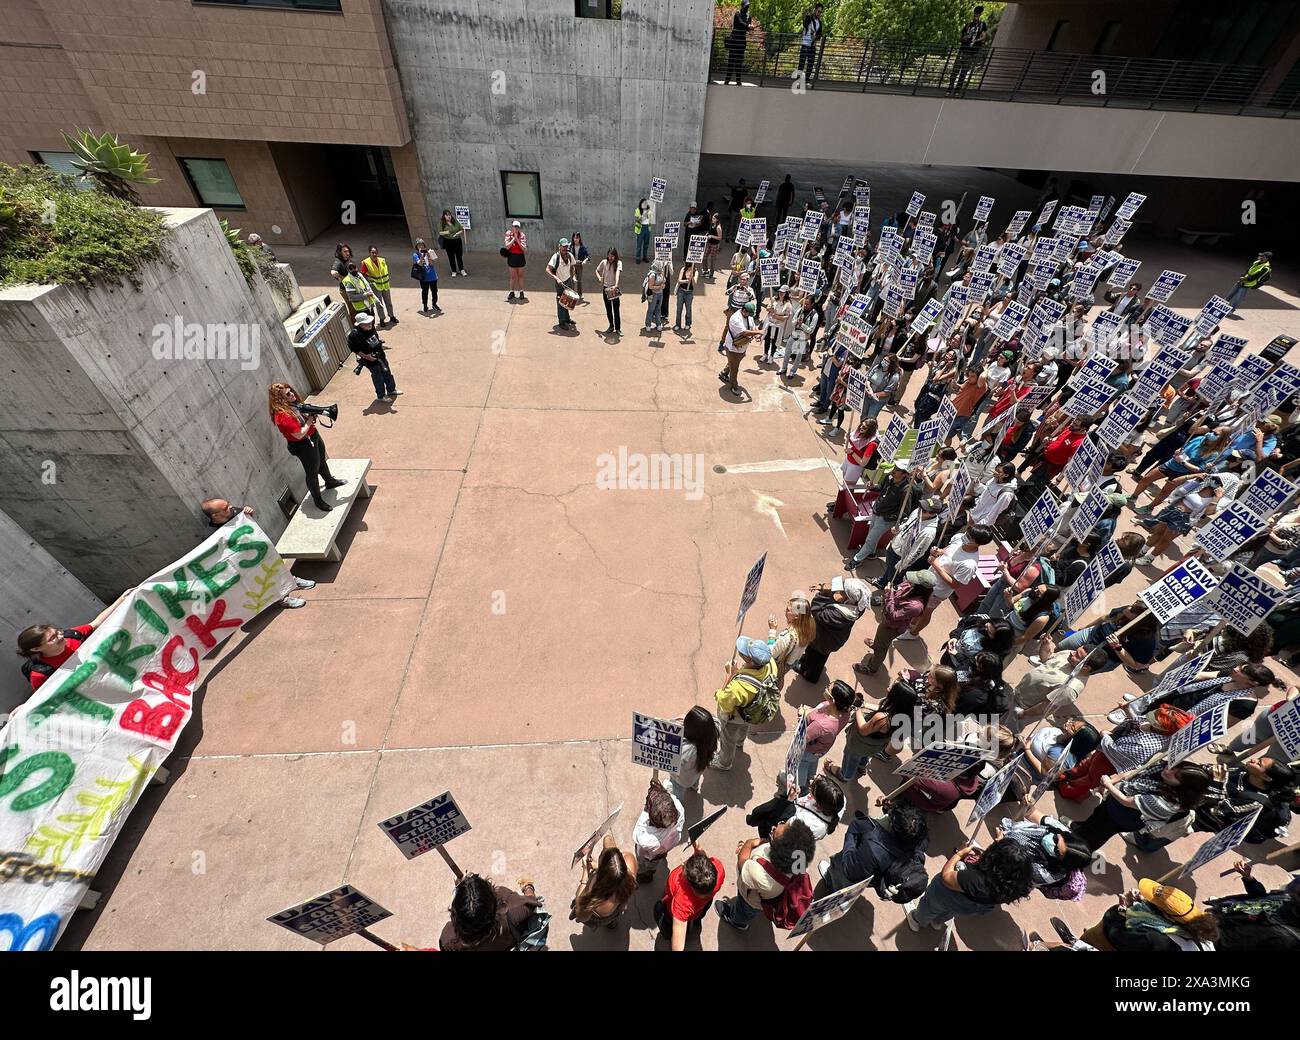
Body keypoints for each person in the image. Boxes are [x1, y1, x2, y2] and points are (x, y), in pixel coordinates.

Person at [1066, 762, 1213, 854]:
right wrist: (1114, 781)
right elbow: (1136, 771)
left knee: (1101, 832)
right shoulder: (1162, 767)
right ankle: (1078, 828)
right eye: (1175, 767)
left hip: (1122, 817)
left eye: (1176, 776)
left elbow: (1126, 801)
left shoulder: (1169, 803)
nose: (1169, 771)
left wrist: (1108, 784)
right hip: (1112, 803)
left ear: (1185, 787)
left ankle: (1078, 851)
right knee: (1097, 816)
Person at [199, 499, 315, 608]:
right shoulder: (210, 536)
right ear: (215, 515)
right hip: (242, 563)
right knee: (262, 580)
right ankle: (283, 598)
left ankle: (292, 581)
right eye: (225, 508)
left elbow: (248, 522)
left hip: (257, 551)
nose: (231, 507)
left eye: (228, 503)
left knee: (275, 566)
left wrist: (249, 512)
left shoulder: (237, 513)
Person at [906, 837, 1034, 931]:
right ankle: (937, 922)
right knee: (949, 912)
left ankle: (918, 920)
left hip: (943, 896)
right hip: (966, 907)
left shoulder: (974, 879)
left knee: (928, 907)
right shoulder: (1011, 887)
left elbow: (946, 877)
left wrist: (959, 853)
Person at [16, 592, 137, 692]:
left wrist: (121, 599)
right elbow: (45, 699)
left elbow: (97, 622)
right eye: (52, 638)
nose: (60, 636)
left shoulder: (72, 635)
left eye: (57, 631)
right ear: (36, 649)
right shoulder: (40, 674)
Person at [715, 817, 816, 932]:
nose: (774, 827)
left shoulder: (759, 872)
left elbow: (742, 863)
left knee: (744, 911)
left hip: (750, 900)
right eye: (782, 823)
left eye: (773, 835)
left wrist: (748, 844)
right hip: (774, 894)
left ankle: (737, 921)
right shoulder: (799, 858)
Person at [818, 802, 930, 903]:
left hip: (855, 870)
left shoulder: (873, 847)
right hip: (877, 875)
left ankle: (832, 883)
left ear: (892, 825)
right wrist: (888, 809)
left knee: (841, 874)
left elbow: (849, 869)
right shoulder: (918, 836)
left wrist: (854, 831)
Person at [1068, 880, 1219, 951]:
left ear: (1168, 917)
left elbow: (1117, 935)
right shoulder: (1202, 935)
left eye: (1151, 902)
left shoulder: (1154, 938)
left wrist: (1122, 909)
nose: (1147, 901)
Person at [902, 524, 995, 638]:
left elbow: (955, 584)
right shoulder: (959, 539)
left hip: (937, 590)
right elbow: (947, 550)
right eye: (967, 533)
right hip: (927, 579)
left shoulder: (969, 564)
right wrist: (938, 552)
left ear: (978, 543)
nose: (965, 536)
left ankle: (913, 633)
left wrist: (935, 565)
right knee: (918, 604)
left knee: (926, 612)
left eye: (970, 537)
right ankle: (911, 623)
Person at [268, 382, 345, 512]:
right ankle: (318, 501)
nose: (292, 393)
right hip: (302, 445)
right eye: (288, 394)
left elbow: (304, 423)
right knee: (312, 472)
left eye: (291, 390)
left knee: (321, 461)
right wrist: (309, 421)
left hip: (313, 436)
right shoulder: (283, 416)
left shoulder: (294, 405)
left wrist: (310, 416)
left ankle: (329, 481)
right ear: (280, 399)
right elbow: (299, 434)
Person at [713, 637, 778, 771]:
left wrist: (729, 674)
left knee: (727, 740)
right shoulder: (771, 663)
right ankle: (740, 741)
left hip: (734, 718)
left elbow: (723, 702)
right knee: (743, 728)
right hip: (752, 713)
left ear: (750, 661)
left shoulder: (739, 687)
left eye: (745, 653)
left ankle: (724, 763)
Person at [1205, 862, 1300, 951]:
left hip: (1209, 934)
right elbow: (1261, 896)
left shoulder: (1281, 936)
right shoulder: (1288, 898)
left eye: (1296, 893)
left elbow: (1225, 941)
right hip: (1220, 914)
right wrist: (1249, 879)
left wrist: (1204, 924)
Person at [438, 873, 544, 952]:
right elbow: (532, 901)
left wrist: (460, 892)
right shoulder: (516, 908)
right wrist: (528, 887)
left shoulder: (448, 940)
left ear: (455, 913)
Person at [788, 681, 860, 795]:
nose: (826, 688)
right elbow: (818, 710)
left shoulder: (821, 725)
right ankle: (811, 776)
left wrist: (802, 716)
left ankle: (800, 788)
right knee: (812, 762)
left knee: (802, 765)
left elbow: (803, 737)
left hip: (808, 750)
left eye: (828, 688)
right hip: (820, 750)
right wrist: (809, 711)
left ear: (833, 700)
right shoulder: (844, 713)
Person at [795, 577, 870, 683]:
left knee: (816, 657)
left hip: (823, 641)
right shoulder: (857, 606)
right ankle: (806, 662)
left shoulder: (836, 615)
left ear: (847, 599)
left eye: (841, 591)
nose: (837, 591)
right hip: (828, 639)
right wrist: (824, 588)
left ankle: (809, 675)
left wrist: (825, 594)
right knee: (814, 654)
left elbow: (816, 611)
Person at [854, 578, 931, 678]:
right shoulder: (910, 587)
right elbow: (898, 592)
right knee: (880, 637)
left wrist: (888, 594)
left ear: (920, 587)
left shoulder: (916, 606)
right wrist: (893, 590)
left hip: (892, 627)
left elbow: (893, 615)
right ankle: (877, 643)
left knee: (882, 648)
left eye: (914, 580)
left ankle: (872, 668)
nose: (909, 581)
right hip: (886, 620)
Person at [654, 847, 724, 951]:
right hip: (702, 906)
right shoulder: (718, 868)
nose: (683, 864)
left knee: (659, 910)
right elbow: (705, 864)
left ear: (691, 885)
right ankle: (695, 921)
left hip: (671, 911)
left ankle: (667, 933)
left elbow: (678, 945)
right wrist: (698, 849)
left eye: (685, 869)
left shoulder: (682, 902)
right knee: (699, 914)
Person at [571, 836, 637, 929]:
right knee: (612, 917)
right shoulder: (629, 861)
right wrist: (599, 865)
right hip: (617, 907)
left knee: (604, 920)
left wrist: (585, 871)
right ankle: (611, 923)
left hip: (600, 916)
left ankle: (610, 923)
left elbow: (581, 915)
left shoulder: (593, 902)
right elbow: (608, 839)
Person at [632, 778, 684, 883]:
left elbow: (637, 832)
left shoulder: (646, 839)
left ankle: (645, 876)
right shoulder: (679, 809)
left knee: (645, 866)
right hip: (667, 846)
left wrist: (647, 808)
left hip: (649, 856)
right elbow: (670, 796)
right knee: (660, 857)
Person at [347, 312, 402, 403]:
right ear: (360, 324)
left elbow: (375, 338)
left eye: (370, 322)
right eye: (366, 324)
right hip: (370, 360)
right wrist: (366, 356)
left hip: (380, 355)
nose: (369, 324)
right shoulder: (355, 334)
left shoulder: (371, 328)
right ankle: (381, 396)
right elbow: (353, 348)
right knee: (378, 377)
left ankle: (391, 390)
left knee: (387, 373)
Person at [719, 299, 762, 397]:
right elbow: (744, 332)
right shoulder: (735, 318)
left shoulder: (748, 316)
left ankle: (724, 373)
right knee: (735, 368)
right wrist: (759, 332)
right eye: (748, 313)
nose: (750, 316)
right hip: (733, 347)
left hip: (742, 346)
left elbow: (753, 326)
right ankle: (734, 386)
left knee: (734, 362)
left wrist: (756, 334)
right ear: (744, 310)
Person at [948, 5, 990, 95]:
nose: (975, 17)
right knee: (955, 70)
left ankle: (957, 91)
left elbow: (983, 37)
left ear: (980, 15)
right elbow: (961, 38)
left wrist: (976, 40)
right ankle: (950, 88)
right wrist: (965, 38)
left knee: (963, 72)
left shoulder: (982, 25)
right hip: (962, 50)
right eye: (974, 15)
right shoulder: (967, 25)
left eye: (977, 15)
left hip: (971, 53)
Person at [1225, 251, 1273, 316]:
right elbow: (1248, 270)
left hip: (1248, 284)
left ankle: (1231, 311)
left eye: (1263, 256)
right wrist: (1242, 276)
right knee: (1231, 294)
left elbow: (1255, 277)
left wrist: (1245, 279)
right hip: (1242, 280)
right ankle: (1222, 306)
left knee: (1238, 298)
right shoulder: (1256, 262)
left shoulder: (1266, 268)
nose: (1261, 257)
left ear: (1266, 258)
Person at [546, 238, 578, 330]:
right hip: (560, 283)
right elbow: (547, 269)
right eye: (563, 246)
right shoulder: (556, 257)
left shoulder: (570, 255)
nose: (565, 248)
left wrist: (574, 276)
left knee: (568, 300)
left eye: (566, 246)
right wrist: (556, 278)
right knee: (561, 302)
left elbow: (573, 267)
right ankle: (561, 322)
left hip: (568, 281)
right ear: (559, 247)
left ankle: (567, 319)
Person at [360, 245, 395, 324]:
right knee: (379, 303)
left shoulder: (382, 260)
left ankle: (392, 316)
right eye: (372, 253)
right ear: (369, 253)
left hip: (385, 285)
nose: (374, 254)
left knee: (388, 302)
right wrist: (370, 281)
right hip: (375, 286)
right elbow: (363, 274)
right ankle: (382, 319)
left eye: (375, 252)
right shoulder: (365, 262)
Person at [721, 0, 752, 85]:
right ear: (742, 6)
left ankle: (738, 81)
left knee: (739, 63)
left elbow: (748, 28)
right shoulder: (737, 14)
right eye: (746, 6)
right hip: (734, 42)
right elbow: (740, 23)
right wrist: (748, 25)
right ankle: (727, 80)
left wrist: (750, 27)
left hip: (741, 43)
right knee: (731, 62)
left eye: (748, 6)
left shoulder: (748, 17)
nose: (747, 8)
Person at [762, 286, 793, 363]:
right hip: (770, 322)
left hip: (778, 325)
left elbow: (787, 316)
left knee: (775, 341)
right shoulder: (773, 299)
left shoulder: (788, 304)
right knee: (767, 338)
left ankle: (771, 356)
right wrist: (770, 308)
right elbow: (767, 308)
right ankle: (765, 354)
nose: (781, 293)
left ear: (786, 293)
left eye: (783, 292)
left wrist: (777, 317)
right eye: (780, 292)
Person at [595, 248, 623, 335]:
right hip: (606, 289)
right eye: (609, 255)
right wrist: (599, 278)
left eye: (612, 256)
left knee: (616, 309)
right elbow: (596, 270)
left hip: (614, 289)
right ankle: (611, 326)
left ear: (615, 256)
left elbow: (618, 273)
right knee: (608, 309)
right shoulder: (604, 262)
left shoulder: (619, 263)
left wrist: (616, 285)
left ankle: (618, 329)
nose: (610, 258)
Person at [411, 240, 441, 314]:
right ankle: (425, 305)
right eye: (419, 245)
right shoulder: (415, 254)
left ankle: (434, 303)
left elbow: (432, 263)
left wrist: (428, 255)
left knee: (434, 291)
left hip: (432, 276)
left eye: (422, 245)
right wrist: (422, 256)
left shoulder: (430, 252)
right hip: (423, 277)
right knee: (425, 292)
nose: (421, 247)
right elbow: (420, 264)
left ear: (424, 246)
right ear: (416, 247)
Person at [798, 3, 824, 83]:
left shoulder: (819, 22)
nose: (819, 13)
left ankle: (806, 80)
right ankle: (798, 80)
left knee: (810, 64)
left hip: (812, 45)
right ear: (815, 10)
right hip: (805, 44)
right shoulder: (809, 18)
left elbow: (819, 35)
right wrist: (804, 16)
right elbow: (805, 24)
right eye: (818, 11)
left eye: (820, 12)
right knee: (801, 63)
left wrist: (815, 38)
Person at [437, 210, 467, 277]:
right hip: (448, 241)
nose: (449, 217)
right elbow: (440, 232)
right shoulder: (442, 223)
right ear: (444, 216)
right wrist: (448, 232)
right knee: (451, 257)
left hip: (457, 240)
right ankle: (454, 270)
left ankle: (462, 269)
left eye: (449, 215)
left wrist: (457, 233)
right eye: (447, 215)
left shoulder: (455, 221)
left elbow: (461, 229)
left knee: (459, 256)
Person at [503, 220, 528, 300]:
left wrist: (517, 239)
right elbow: (507, 246)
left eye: (517, 227)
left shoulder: (522, 235)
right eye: (514, 227)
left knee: (520, 275)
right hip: (512, 257)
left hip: (520, 256)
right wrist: (513, 238)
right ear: (512, 227)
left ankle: (521, 292)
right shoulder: (508, 234)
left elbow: (524, 249)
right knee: (513, 276)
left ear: (519, 228)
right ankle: (511, 292)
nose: (516, 229)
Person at [642, 259, 667, 333]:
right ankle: (648, 324)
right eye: (661, 265)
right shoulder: (653, 274)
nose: (662, 266)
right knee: (651, 309)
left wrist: (663, 286)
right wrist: (660, 287)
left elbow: (663, 282)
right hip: (653, 294)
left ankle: (658, 324)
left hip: (660, 294)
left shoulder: (661, 272)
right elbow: (650, 286)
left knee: (658, 309)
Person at [672, 260, 698, 332]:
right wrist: (686, 281)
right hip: (681, 291)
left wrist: (692, 277)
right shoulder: (683, 269)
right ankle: (677, 324)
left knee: (688, 309)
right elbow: (679, 280)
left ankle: (688, 323)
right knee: (679, 309)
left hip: (689, 293)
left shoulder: (695, 271)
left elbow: (694, 284)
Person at [633, 197, 655, 264]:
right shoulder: (638, 210)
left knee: (646, 244)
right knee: (639, 245)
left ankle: (645, 257)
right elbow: (637, 220)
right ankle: (638, 258)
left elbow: (652, 220)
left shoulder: (650, 211)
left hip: (647, 229)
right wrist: (643, 215)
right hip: (640, 229)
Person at [569, 231, 590, 299]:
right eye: (574, 238)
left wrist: (585, 260)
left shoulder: (583, 247)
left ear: (579, 238)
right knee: (572, 279)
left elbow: (588, 256)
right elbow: (566, 254)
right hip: (572, 265)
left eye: (577, 238)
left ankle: (580, 294)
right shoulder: (570, 246)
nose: (575, 239)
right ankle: (572, 293)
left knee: (579, 280)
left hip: (579, 265)